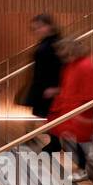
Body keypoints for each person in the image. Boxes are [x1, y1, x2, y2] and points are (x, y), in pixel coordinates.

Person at [48, 37, 93, 183]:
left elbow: (88, 92)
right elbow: (68, 86)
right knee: (79, 138)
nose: (61, 56)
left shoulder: (85, 65)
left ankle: (83, 168)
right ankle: (83, 164)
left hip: (81, 109)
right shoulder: (73, 64)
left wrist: (80, 110)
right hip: (73, 107)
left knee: (82, 139)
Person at [22, 14, 62, 153]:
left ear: (48, 26)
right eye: (35, 29)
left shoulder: (55, 43)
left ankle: (54, 142)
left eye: (39, 27)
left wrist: (57, 87)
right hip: (43, 84)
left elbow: (59, 66)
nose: (37, 31)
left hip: (49, 85)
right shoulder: (47, 42)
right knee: (46, 113)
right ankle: (51, 141)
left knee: (50, 113)